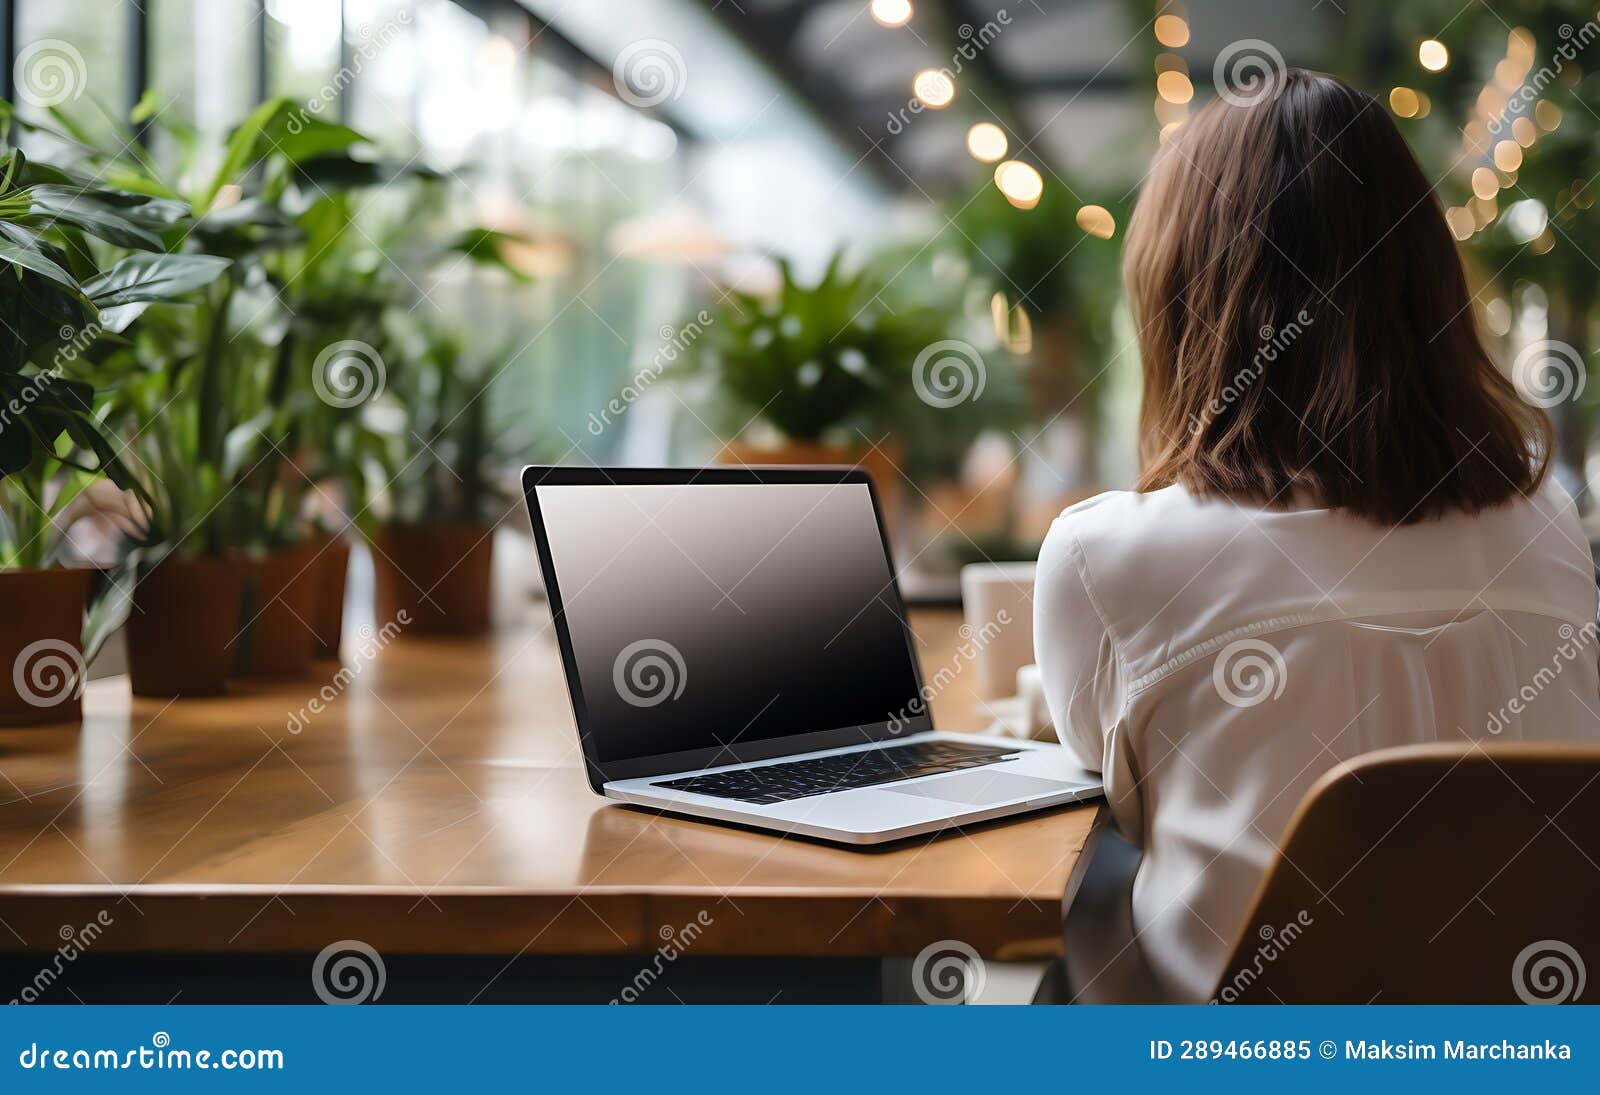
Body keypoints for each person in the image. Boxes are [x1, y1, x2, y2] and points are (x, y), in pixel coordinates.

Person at [1033, 69, 1600, 1003]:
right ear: (1425, 285)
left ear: (1179, 301)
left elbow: (1116, 794)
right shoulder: (1548, 525)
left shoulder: (1105, 556)